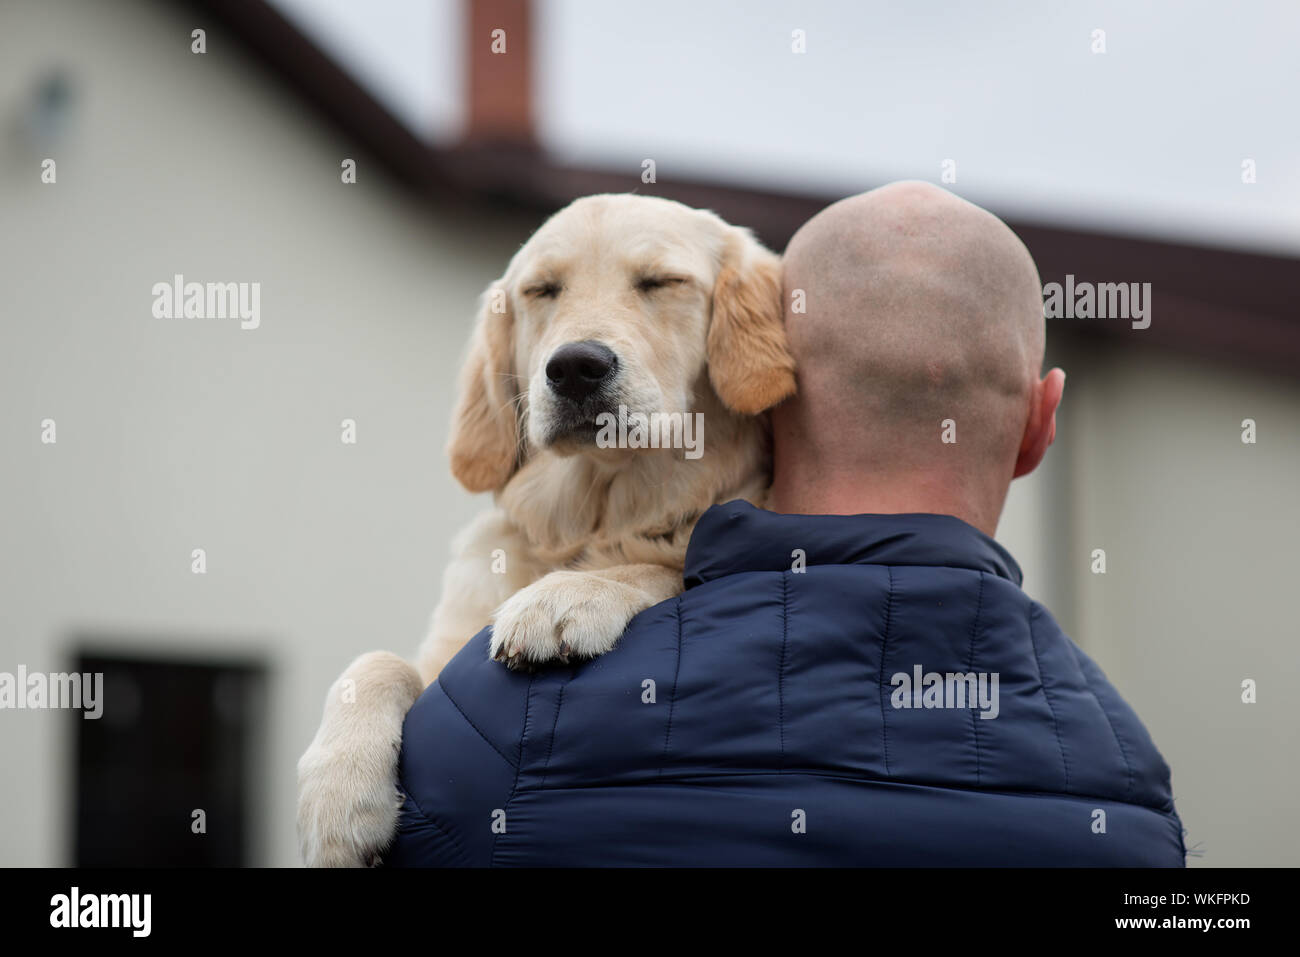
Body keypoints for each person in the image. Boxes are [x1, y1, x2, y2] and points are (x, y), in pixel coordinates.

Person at [381, 182, 1184, 867]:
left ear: (774, 390)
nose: (579, 337)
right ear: (1041, 426)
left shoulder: (491, 726)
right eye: (545, 293)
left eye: (657, 283)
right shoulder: (1134, 793)